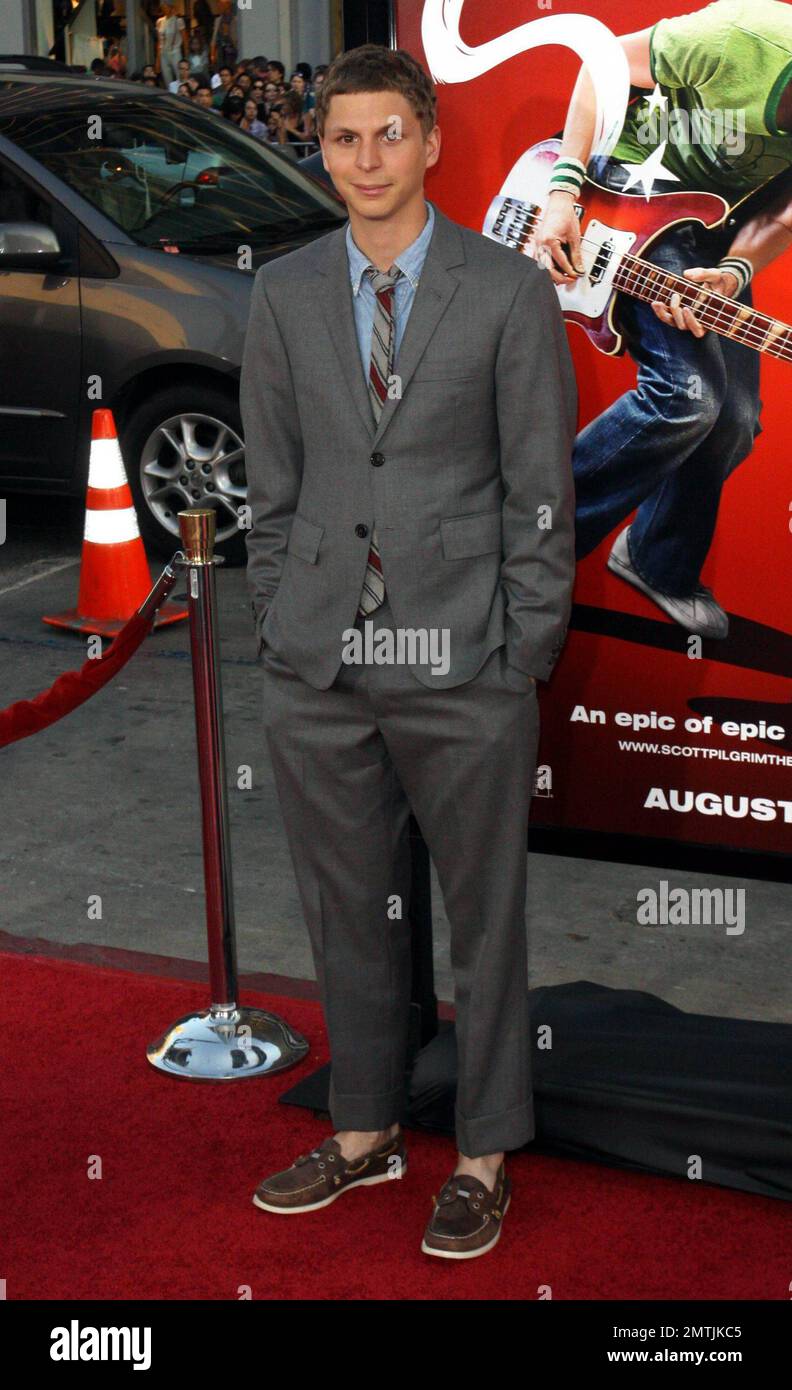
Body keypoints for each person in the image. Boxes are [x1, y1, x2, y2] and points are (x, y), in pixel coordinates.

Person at [241, 43, 577, 1261]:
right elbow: (271, 488)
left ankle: (483, 1153)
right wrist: (281, 622)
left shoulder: (504, 290)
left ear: (433, 142)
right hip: (322, 668)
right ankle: (364, 1129)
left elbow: (542, 489)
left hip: (469, 664)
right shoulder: (281, 292)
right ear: (320, 150)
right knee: (349, 916)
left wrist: (521, 649)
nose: (367, 160)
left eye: (390, 134)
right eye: (344, 138)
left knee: (486, 921)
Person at [535, 0, 792, 640]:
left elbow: (782, 214)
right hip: (621, 196)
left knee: (735, 419)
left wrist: (734, 274)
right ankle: (521, 546)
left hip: (714, 228)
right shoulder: (744, 37)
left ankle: (655, 555)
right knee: (688, 397)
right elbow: (600, 68)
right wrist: (564, 190)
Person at [155, 3, 186, 88]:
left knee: (180, 77)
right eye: (163, 7)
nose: (164, 9)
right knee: (167, 80)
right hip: (163, 53)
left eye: (166, 7)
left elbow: (185, 39)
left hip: (175, 51)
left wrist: (186, 55)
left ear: (171, 7)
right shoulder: (159, 21)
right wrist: (157, 59)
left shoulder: (178, 20)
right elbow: (159, 41)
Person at [210, 0, 238, 72]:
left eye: (221, 4)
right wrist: (212, 55)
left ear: (228, 4)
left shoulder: (235, 19)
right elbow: (214, 38)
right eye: (218, 4)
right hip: (220, 51)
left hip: (232, 51)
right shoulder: (218, 20)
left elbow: (235, 38)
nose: (219, 6)